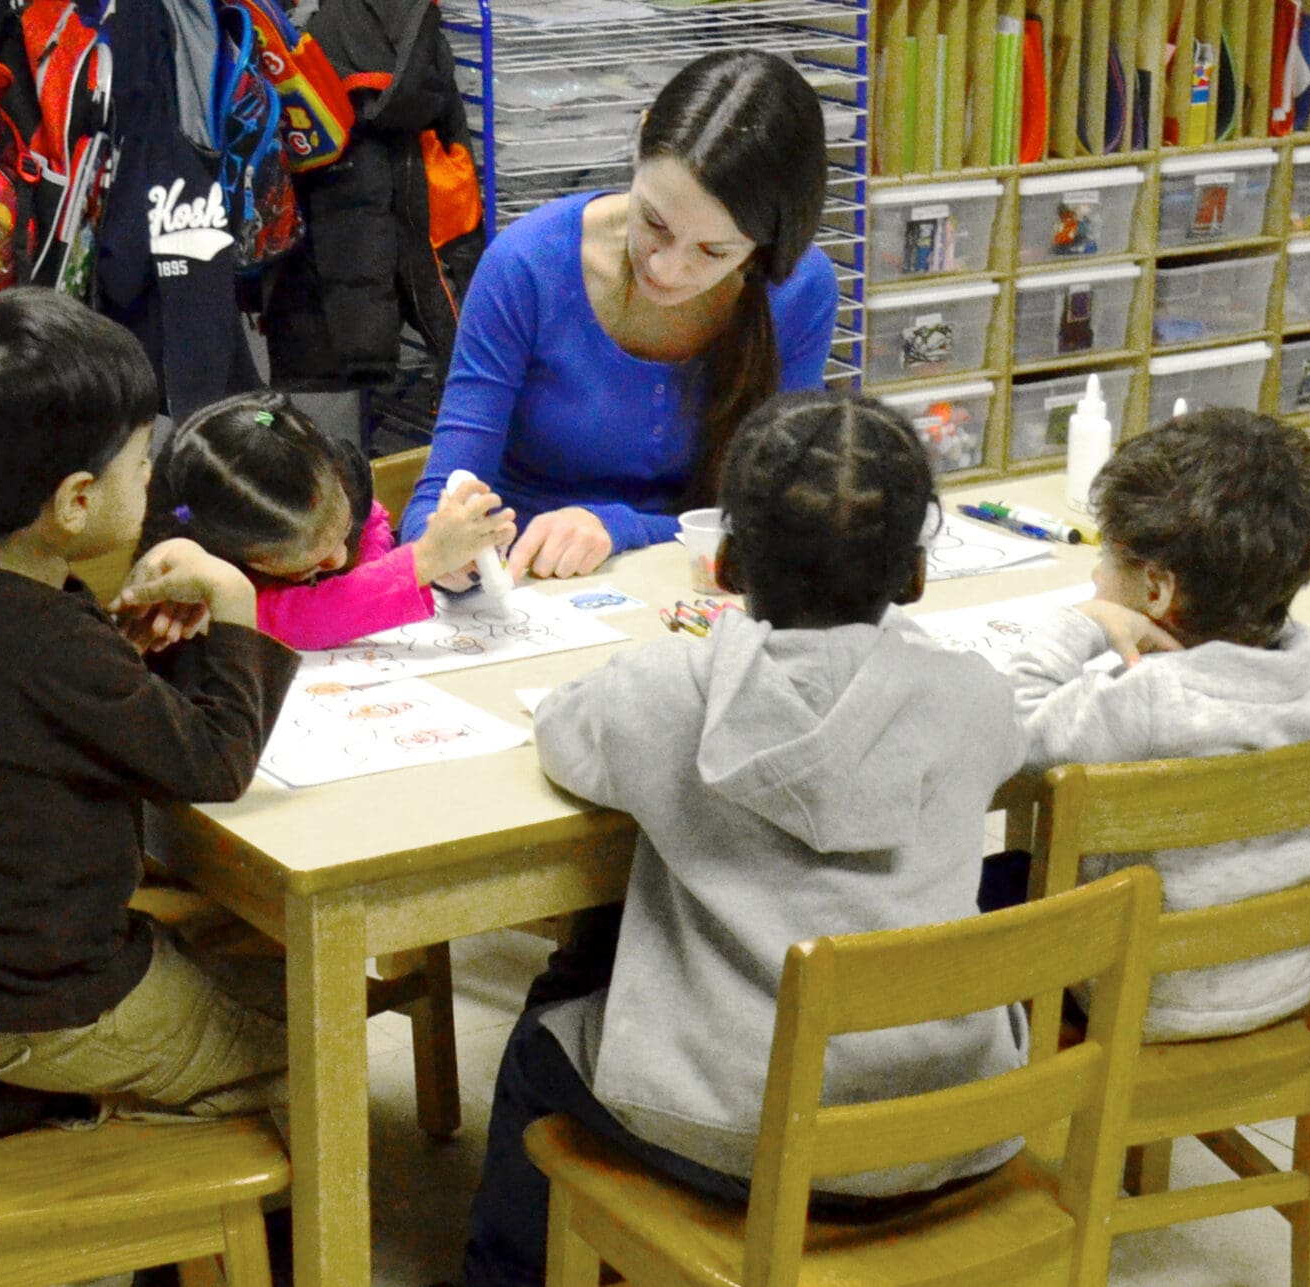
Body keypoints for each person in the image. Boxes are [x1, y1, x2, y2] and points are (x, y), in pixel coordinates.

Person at [455, 391, 1028, 1287]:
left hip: (735, 1129)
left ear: (722, 564)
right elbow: (1008, 745)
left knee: (543, 1037)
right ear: (915, 575)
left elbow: (567, 734)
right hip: (950, 1112)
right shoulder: (974, 698)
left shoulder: (672, 691)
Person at [0, 287, 300, 1130]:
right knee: (312, 1041)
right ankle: (70, 1100)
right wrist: (232, 596)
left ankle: (15, 1078)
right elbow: (217, 766)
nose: (151, 472)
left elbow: (50, 690)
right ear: (78, 500)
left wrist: (119, 642)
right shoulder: (50, 642)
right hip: (48, 1002)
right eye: (143, 455)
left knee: (260, 976)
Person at [398, 47, 839, 586]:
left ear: (765, 245)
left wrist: (621, 527)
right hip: (529, 584)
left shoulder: (796, 288)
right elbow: (436, 502)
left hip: (697, 581)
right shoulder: (527, 265)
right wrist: (449, 552)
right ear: (641, 136)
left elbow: (781, 509)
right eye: (654, 221)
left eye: (714, 252)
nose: (667, 268)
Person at [994, 408, 1310, 1040]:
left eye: (1109, 559)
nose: (1095, 574)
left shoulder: (1146, 701)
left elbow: (1011, 732)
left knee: (969, 900)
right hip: (1276, 985)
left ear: (1158, 592)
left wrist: (1081, 622)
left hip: (1137, 998)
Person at [136, 391, 515, 651]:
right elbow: (297, 618)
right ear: (234, 553)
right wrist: (423, 562)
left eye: (341, 530)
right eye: (310, 563)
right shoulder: (204, 568)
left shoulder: (333, 476)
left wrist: (446, 566)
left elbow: (373, 526)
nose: (336, 558)